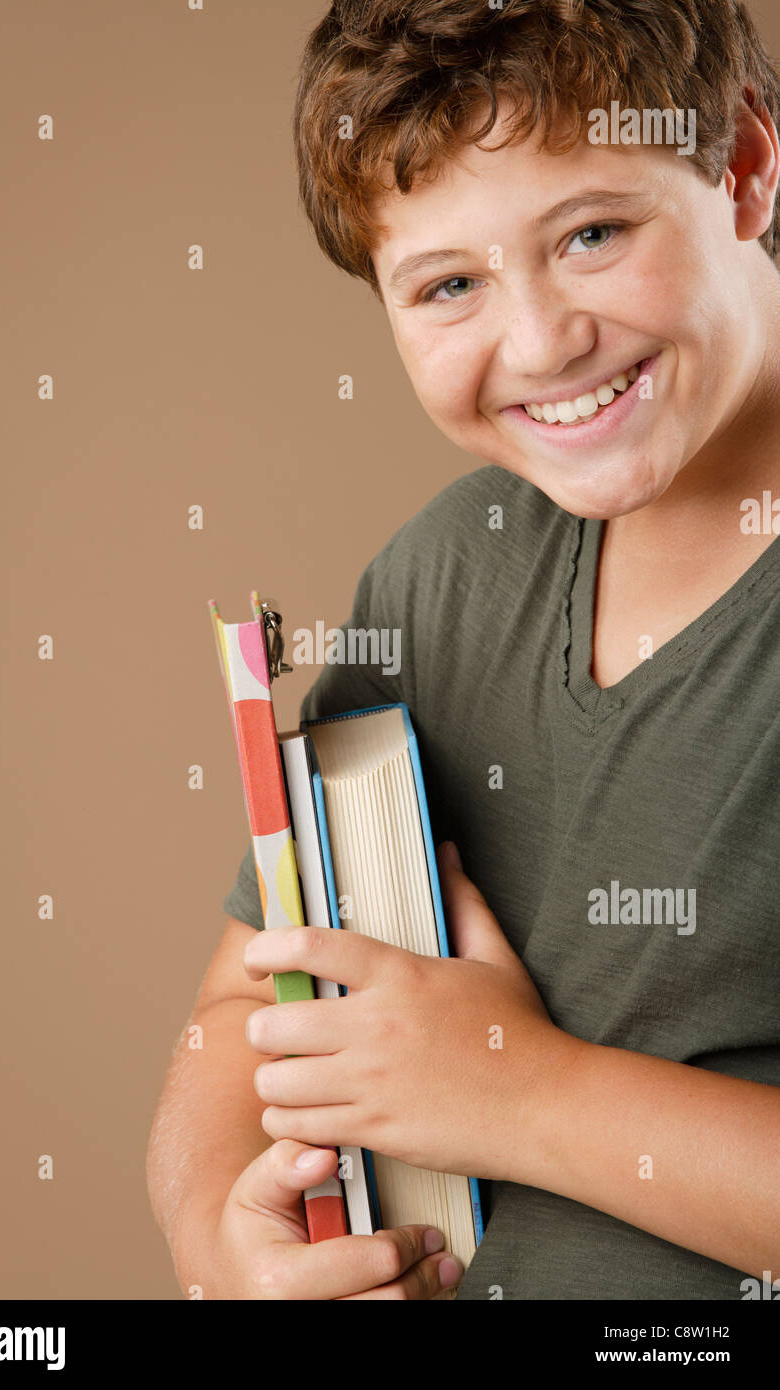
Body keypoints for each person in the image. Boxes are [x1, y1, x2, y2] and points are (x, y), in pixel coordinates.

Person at [147, 0, 780, 1300]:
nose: (543, 343)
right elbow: (238, 1013)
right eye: (447, 286)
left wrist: (519, 1089)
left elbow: (482, 1083)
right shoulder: (444, 574)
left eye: (591, 234)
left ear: (743, 169)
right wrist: (221, 1236)